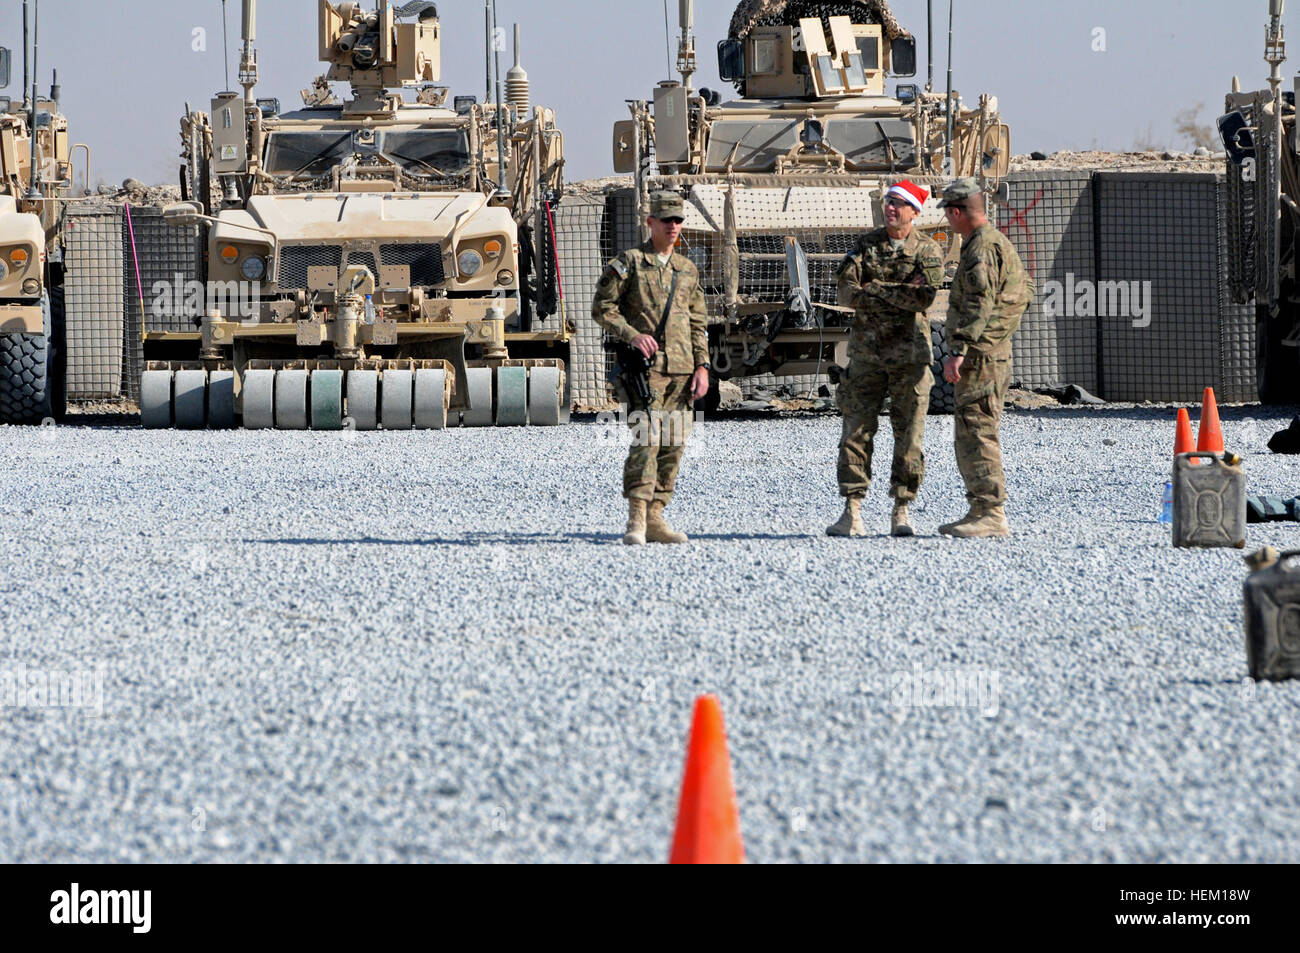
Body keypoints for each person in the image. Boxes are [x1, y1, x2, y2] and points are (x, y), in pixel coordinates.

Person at [592, 191, 711, 545]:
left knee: (674, 445)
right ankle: (637, 519)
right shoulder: (629, 263)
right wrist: (631, 335)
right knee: (647, 440)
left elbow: (698, 322)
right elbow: (602, 309)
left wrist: (702, 367)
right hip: (645, 372)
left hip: (682, 371)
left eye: (678, 221)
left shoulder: (686, 270)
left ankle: (657, 515)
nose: (674, 226)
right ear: (651, 223)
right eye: (667, 220)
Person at [827, 180, 943, 538]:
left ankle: (902, 509)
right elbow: (847, 291)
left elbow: (923, 297)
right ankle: (852, 510)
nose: (890, 207)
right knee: (856, 432)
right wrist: (894, 293)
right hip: (866, 356)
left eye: (898, 203)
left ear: (913, 211)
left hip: (910, 356)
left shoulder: (927, 249)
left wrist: (874, 288)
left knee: (909, 435)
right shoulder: (865, 246)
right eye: (887, 202)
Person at [936, 178, 1032, 538]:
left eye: (947, 212)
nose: (946, 220)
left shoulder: (980, 249)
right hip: (990, 352)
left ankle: (991, 512)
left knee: (977, 431)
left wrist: (959, 351)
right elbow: (1025, 292)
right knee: (974, 430)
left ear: (957, 212)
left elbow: (978, 304)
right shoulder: (995, 243)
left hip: (981, 357)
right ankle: (980, 508)